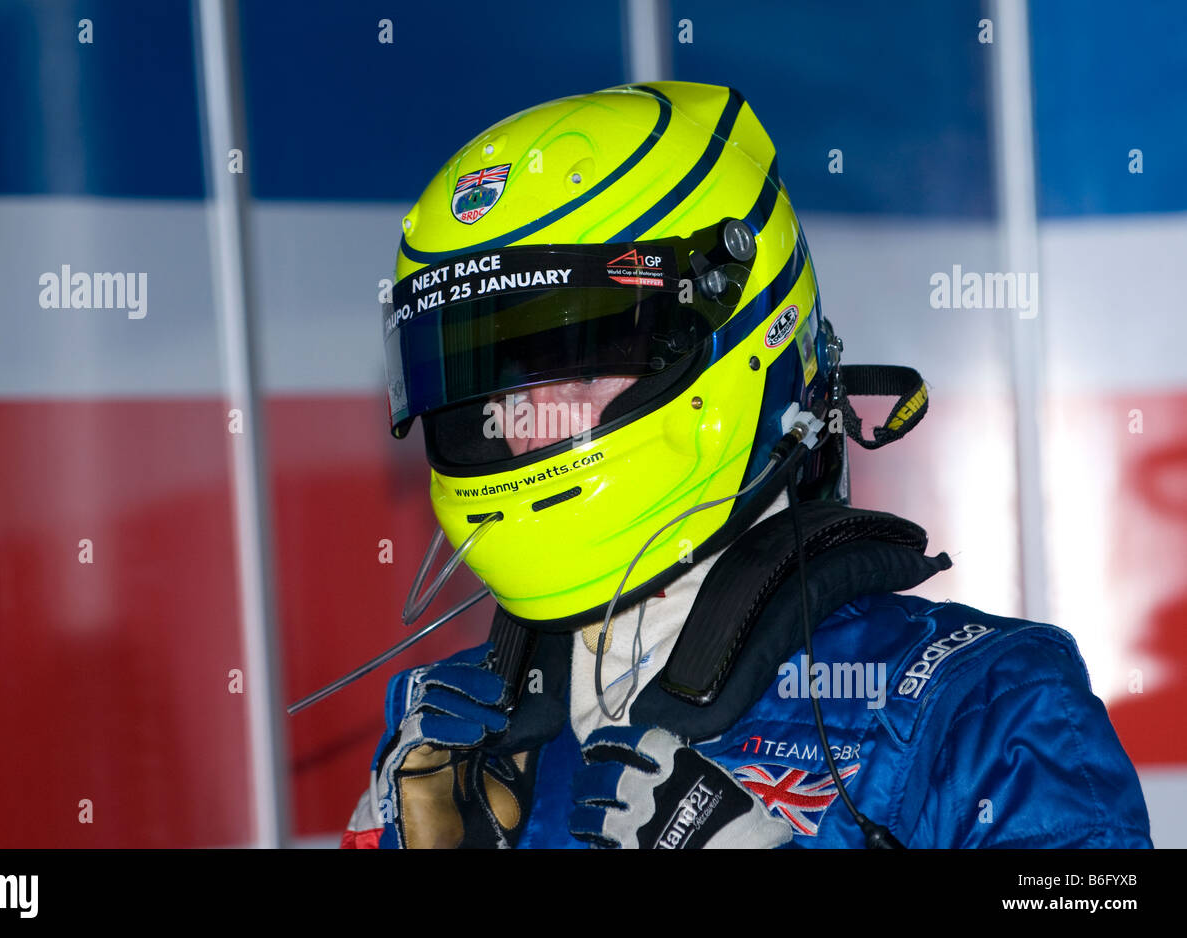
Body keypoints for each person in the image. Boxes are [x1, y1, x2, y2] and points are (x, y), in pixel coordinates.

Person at [341, 81, 1152, 849]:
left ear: (729, 327)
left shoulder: (983, 705)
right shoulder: (445, 739)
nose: (522, 422)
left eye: (573, 360)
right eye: (493, 381)